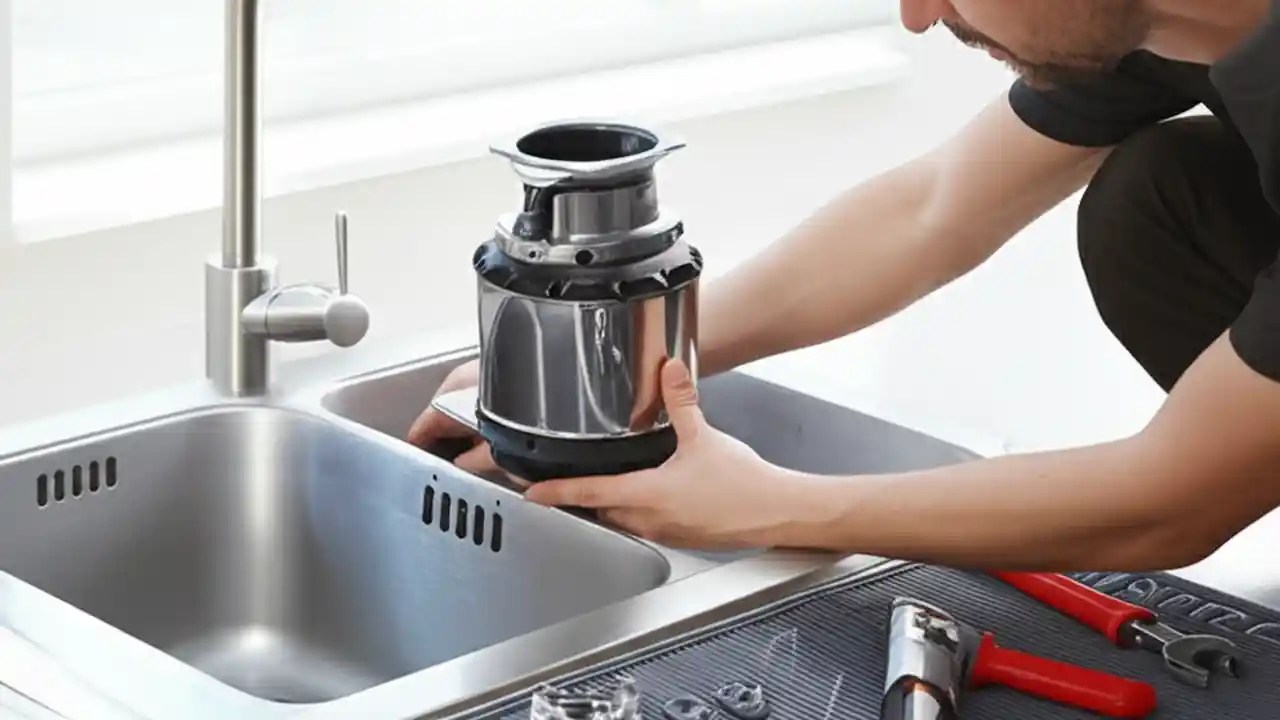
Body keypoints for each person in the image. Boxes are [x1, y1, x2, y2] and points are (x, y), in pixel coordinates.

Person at [409, 0, 1280, 572]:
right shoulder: (1168, 20)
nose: (916, 15)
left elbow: (1168, 502)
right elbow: (932, 209)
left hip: (1175, 498)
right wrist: (616, 360)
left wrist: (772, 506)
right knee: (1159, 191)